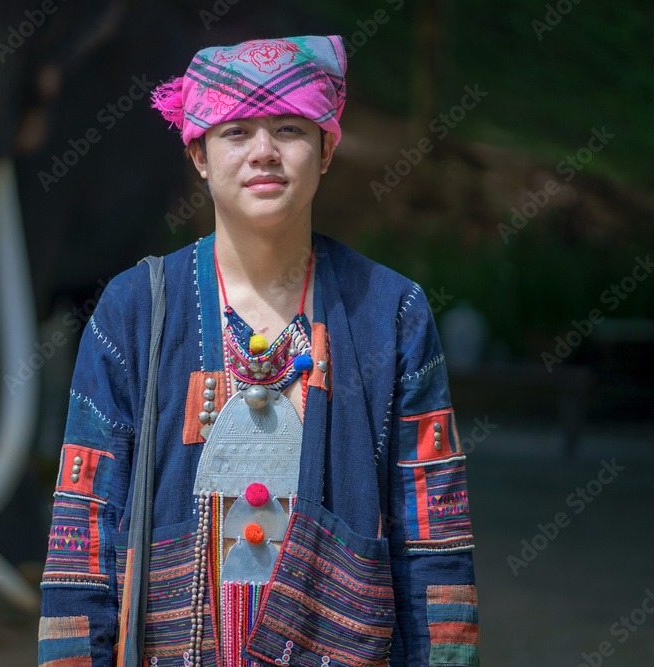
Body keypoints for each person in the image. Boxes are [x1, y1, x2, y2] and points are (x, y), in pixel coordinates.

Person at [38, 35, 479, 667]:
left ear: (327, 149)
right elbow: (83, 527)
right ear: (198, 153)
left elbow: (434, 536)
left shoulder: (390, 312)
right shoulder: (133, 310)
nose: (264, 152)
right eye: (236, 131)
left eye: (290, 129)